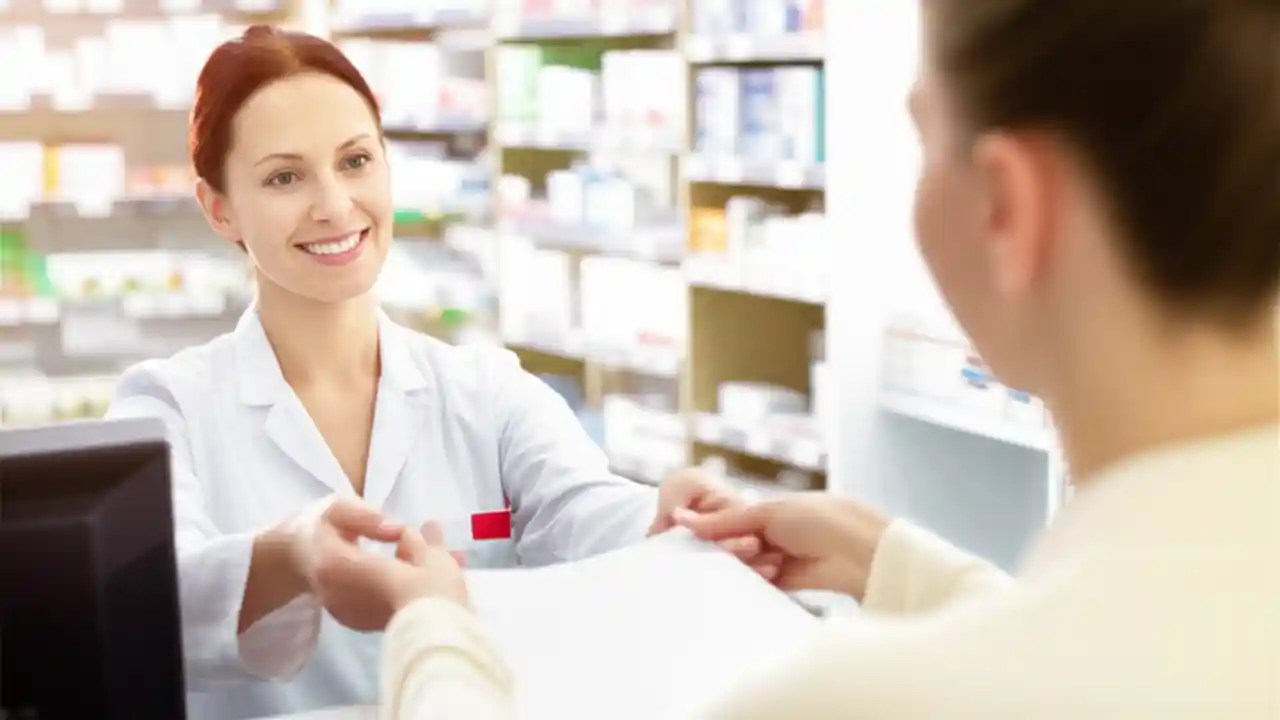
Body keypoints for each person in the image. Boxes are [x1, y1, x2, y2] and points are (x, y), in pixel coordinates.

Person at [338, 0, 1280, 717]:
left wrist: (436, 634)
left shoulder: (845, 699)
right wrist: (887, 559)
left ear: (1007, 209)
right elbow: (1114, 652)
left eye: (923, 139)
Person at [103, 26, 749, 720]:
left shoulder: (486, 391)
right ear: (219, 208)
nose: (333, 205)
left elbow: (580, 508)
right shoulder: (167, 406)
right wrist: (291, 556)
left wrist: (667, 514)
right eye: (284, 177)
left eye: (355, 161)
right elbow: (149, 597)